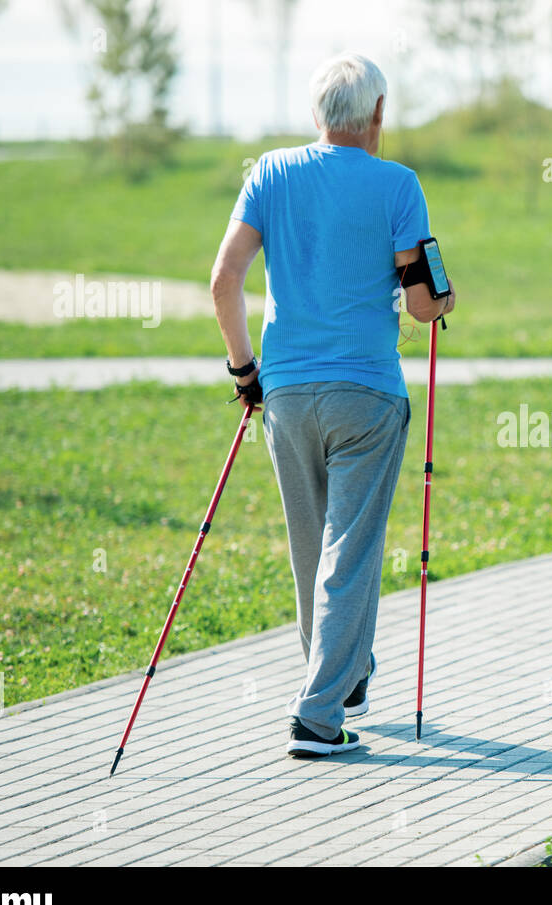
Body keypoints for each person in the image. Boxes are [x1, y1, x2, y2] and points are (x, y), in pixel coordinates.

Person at [210, 52, 456, 757]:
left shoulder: (269, 173)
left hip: (286, 391)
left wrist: (244, 371)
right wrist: (444, 300)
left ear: (317, 114)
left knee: (312, 547)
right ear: (378, 114)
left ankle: (346, 679)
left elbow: (224, 280)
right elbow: (417, 306)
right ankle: (318, 717)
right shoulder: (399, 185)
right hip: (368, 396)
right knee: (349, 552)